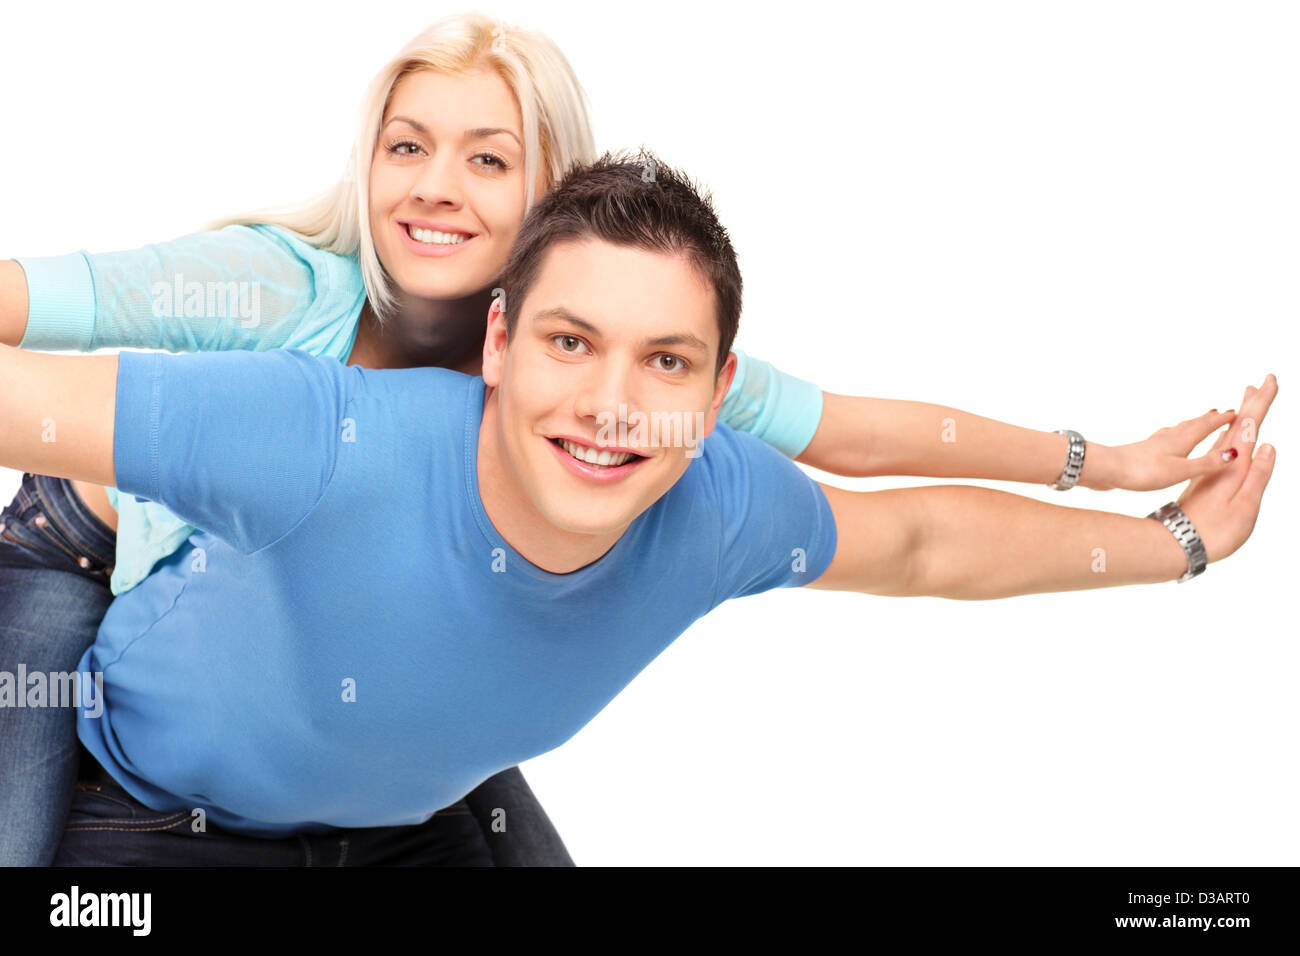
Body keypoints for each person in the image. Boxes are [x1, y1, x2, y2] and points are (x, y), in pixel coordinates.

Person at [0, 12, 1248, 865]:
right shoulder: (280, 308)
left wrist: (1129, 484)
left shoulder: (655, 396)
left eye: (488, 158)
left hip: (390, 655)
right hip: (89, 544)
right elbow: (55, 307)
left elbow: (887, 475)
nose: (436, 187)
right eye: (407, 147)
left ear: (552, 198)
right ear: (501, 338)